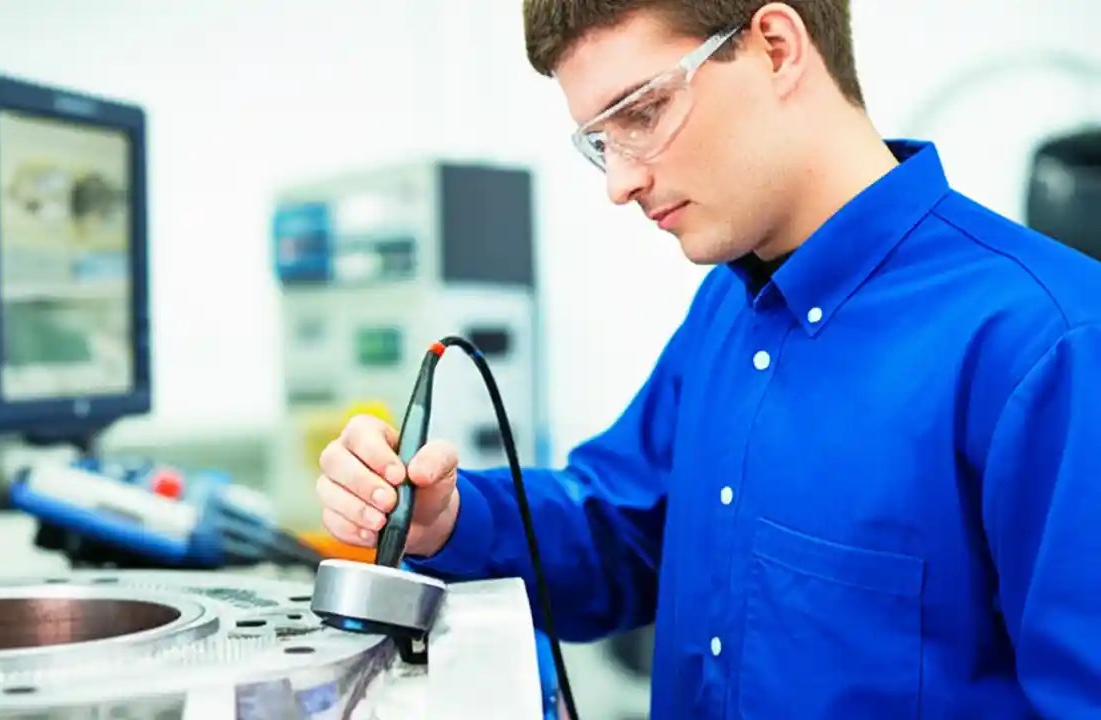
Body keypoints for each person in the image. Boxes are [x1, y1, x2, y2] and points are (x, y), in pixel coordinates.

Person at [315, 1, 1101, 717]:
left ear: (775, 47)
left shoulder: (1050, 343)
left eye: (645, 112)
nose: (620, 182)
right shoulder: (729, 309)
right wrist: (449, 519)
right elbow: (622, 529)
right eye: (600, 142)